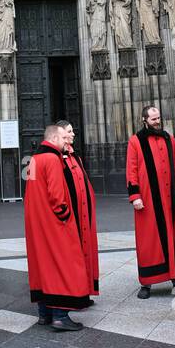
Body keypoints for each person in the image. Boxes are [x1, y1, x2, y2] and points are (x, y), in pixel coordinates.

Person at [24, 123, 94, 331]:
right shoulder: (53, 159)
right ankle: (60, 316)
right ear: (54, 138)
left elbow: (32, 190)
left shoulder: (34, 158)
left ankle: (44, 314)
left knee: (43, 266)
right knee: (63, 265)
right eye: (64, 138)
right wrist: (65, 215)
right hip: (54, 223)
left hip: (36, 222)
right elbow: (56, 195)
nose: (67, 141)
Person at [127, 105, 175, 299]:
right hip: (147, 200)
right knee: (149, 241)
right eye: (154, 119)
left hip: (170, 198)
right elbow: (131, 169)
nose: (158, 122)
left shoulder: (168, 138)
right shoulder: (135, 141)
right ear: (144, 120)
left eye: (158, 118)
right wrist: (135, 196)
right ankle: (146, 284)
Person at [57, 120, 99, 305]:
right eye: (70, 131)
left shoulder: (75, 157)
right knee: (72, 256)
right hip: (70, 217)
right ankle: (73, 296)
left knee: (84, 253)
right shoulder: (56, 159)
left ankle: (83, 292)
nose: (74, 134)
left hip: (84, 214)